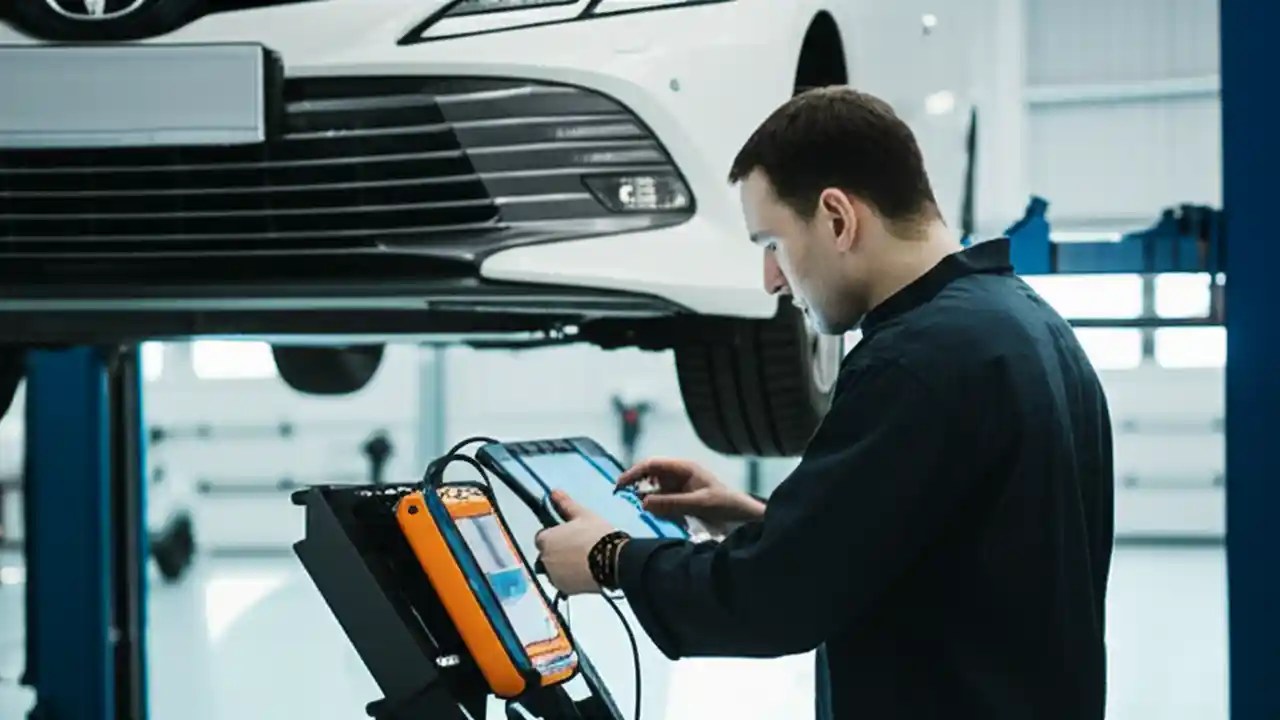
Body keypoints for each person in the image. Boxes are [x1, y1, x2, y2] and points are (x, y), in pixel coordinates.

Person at [534, 86, 1114, 720]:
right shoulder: (1025, 326)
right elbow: (948, 547)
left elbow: (773, 602)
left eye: (773, 243)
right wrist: (762, 521)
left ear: (838, 218)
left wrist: (610, 557)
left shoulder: (917, 360)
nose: (772, 280)